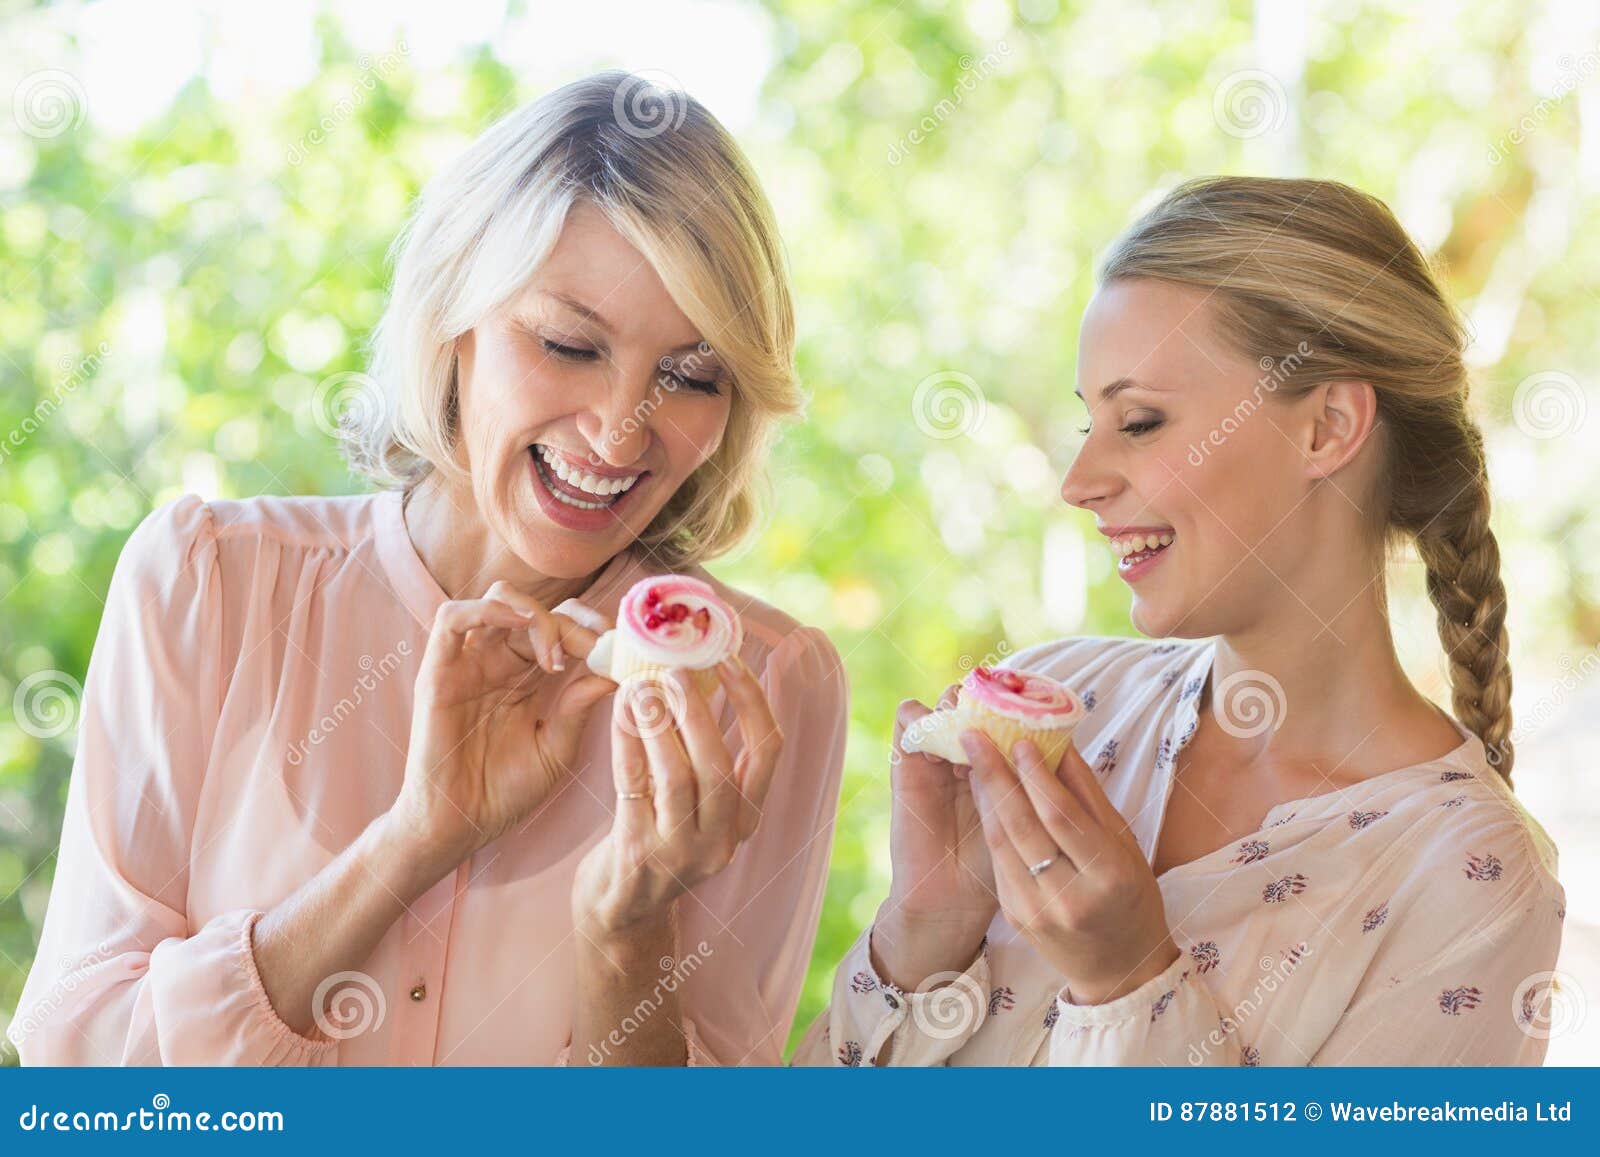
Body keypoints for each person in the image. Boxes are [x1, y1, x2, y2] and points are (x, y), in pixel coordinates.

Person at [9, 71, 847, 1067]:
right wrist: (414, 838)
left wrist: (628, 935)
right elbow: (84, 1075)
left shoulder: (770, 684)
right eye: (570, 344)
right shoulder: (208, 583)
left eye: (690, 375)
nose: (621, 429)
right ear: (453, 320)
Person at [794, 176, 1564, 1067]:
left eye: (1141, 421)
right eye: (1090, 423)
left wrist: (1130, 980)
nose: (1078, 482)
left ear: (1327, 428)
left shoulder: (1472, 885)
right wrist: (924, 929)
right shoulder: (1068, 701)